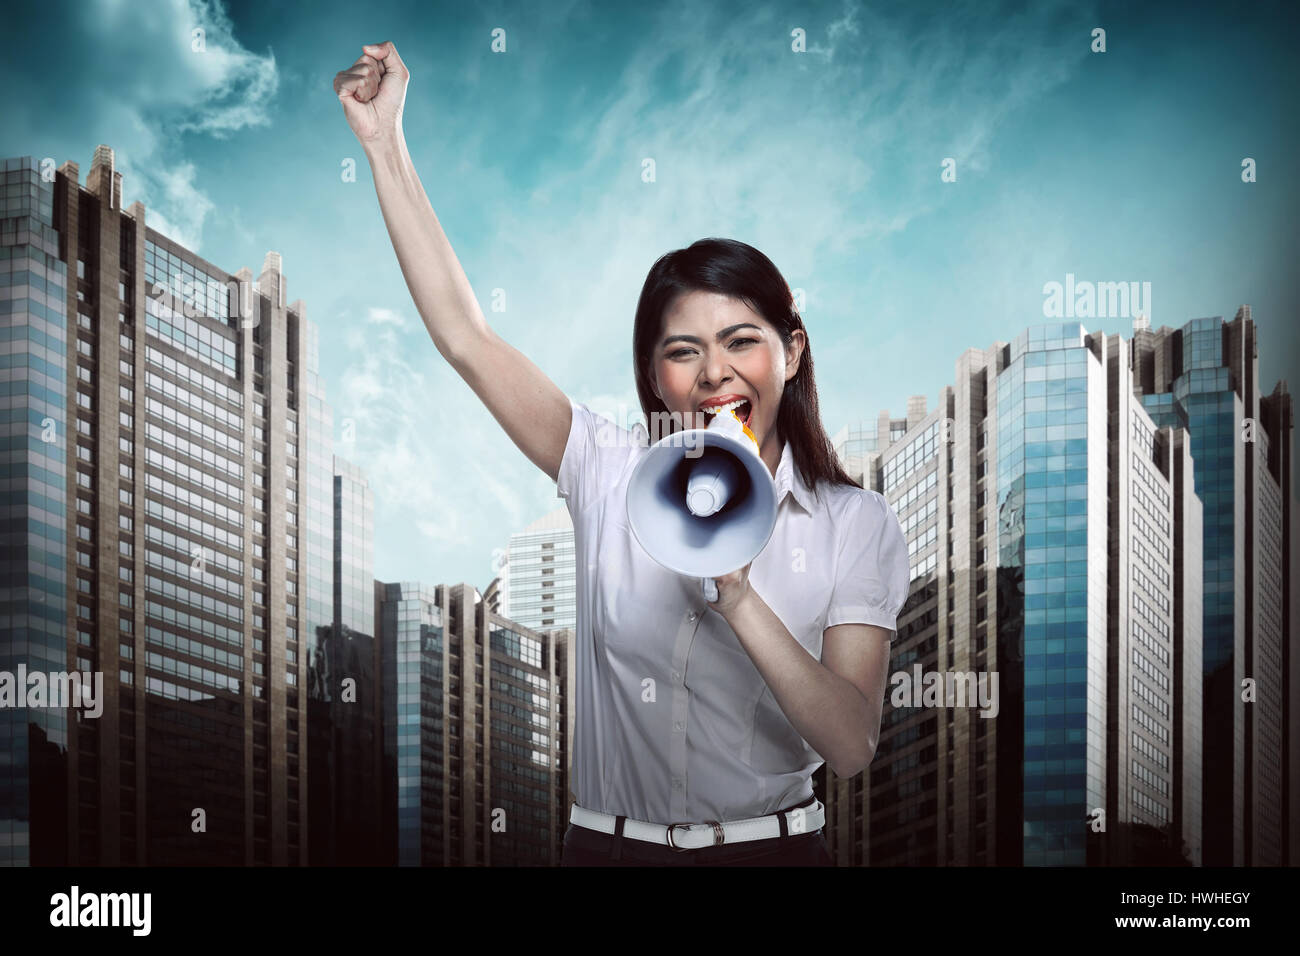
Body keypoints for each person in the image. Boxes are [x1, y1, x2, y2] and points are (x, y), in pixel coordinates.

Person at [335, 42, 911, 867]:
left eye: (741, 341)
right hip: (607, 850)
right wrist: (385, 143)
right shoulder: (604, 466)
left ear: (792, 350)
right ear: (653, 372)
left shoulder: (855, 522)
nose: (714, 372)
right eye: (683, 351)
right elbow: (465, 336)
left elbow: (852, 744)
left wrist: (740, 595)